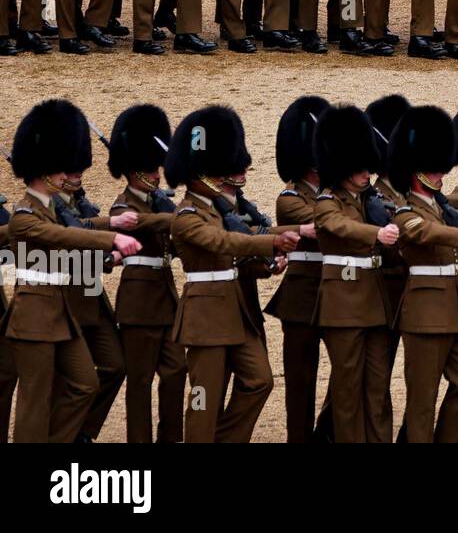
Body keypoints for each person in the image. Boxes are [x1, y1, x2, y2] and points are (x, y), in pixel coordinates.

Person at [5, 99, 140, 443]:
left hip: (61, 311)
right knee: (34, 402)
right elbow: (63, 235)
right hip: (34, 315)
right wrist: (111, 237)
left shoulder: (50, 208)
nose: (68, 175)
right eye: (60, 169)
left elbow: (78, 224)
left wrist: (108, 225)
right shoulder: (23, 214)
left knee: (85, 382)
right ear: (42, 170)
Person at [165, 104, 300, 442]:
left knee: (260, 380)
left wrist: (267, 264)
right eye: (215, 174)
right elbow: (222, 243)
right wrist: (270, 243)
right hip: (205, 315)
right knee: (203, 399)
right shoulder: (185, 216)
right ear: (198, 175)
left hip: (235, 310)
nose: (223, 179)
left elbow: (237, 257)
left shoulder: (219, 209)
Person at [387, 104, 458, 443]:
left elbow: (448, 253)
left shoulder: (442, 209)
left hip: (456, 311)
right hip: (425, 314)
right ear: (418, 173)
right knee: (422, 400)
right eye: (433, 170)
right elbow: (423, 234)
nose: (440, 175)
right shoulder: (405, 211)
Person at [311, 103, 397, 442]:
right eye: (359, 168)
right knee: (347, 392)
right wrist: (376, 233)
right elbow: (338, 226)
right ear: (342, 167)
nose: (366, 173)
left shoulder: (369, 200)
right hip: (343, 305)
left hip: (374, 303)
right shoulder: (326, 201)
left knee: (378, 388)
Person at [106, 104, 188, 444]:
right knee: (139, 383)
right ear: (135, 172)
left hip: (166, 299)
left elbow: (178, 245)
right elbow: (140, 224)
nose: (158, 175)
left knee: (177, 370)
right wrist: (182, 217)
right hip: (139, 303)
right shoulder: (123, 206)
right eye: (152, 170)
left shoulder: (159, 202)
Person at [265, 95, 330, 443]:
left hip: (338, 293)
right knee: (300, 383)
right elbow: (327, 224)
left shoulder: (337, 192)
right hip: (302, 296)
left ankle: (327, 431)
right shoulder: (289, 199)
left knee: (354, 370)